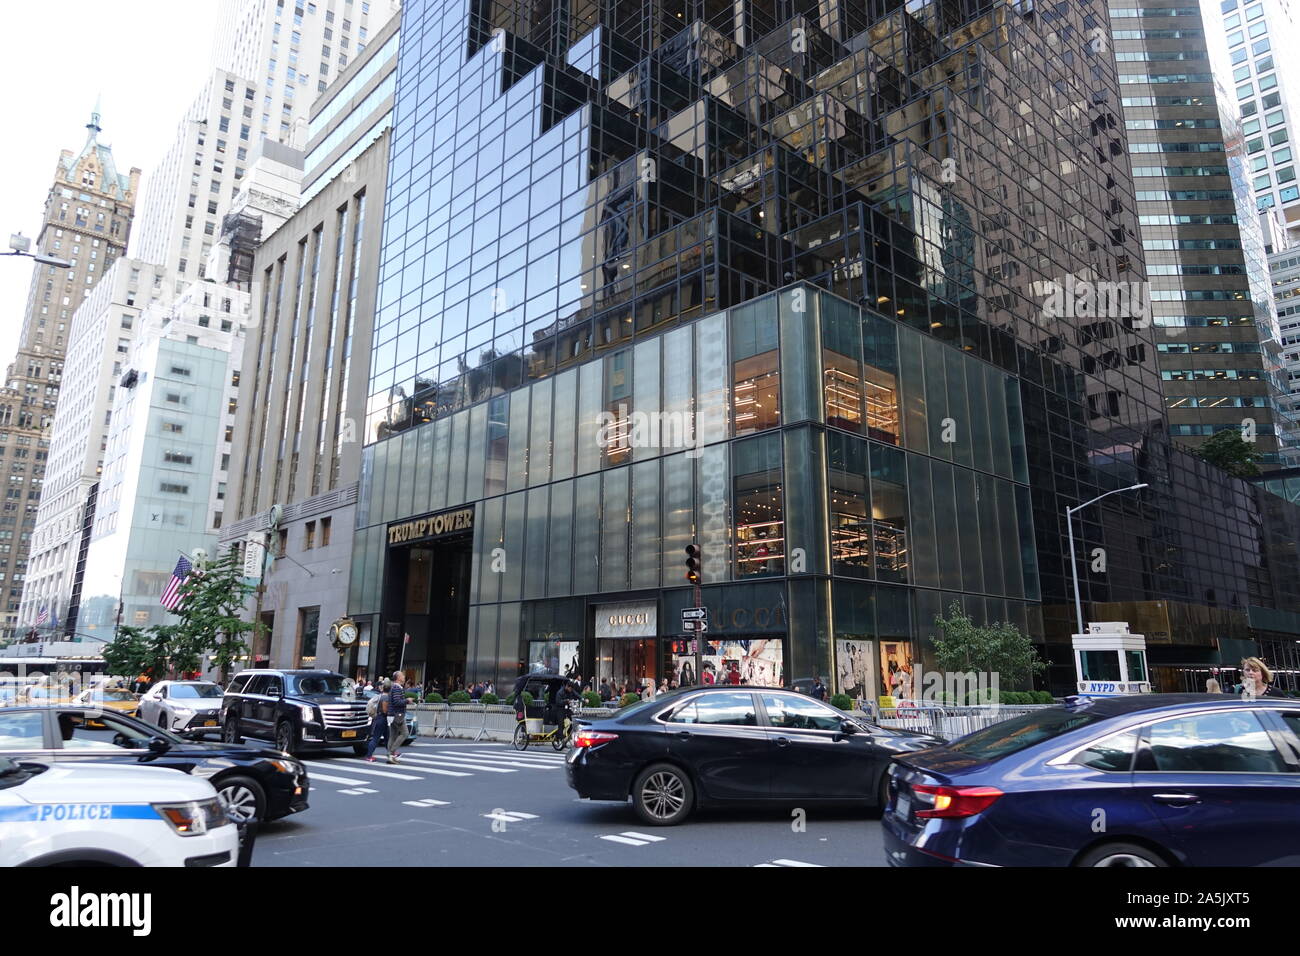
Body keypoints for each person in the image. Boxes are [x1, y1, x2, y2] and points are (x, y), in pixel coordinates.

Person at [384, 671, 409, 763]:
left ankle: (390, 757)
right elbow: (397, 702)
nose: (404, 677)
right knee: (405, 733)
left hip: (392, 714)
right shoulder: (397, 688)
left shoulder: (394, 687)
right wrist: (407, 700)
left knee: (393, 735)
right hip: (397, 714)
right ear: (398, 677)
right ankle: (391, 753)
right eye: (402, 675)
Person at [364, 682, 389, 762]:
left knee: (387, 737)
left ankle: (391, 753)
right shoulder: (385, 697)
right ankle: (369, 756)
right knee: (376, 738)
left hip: (380, 718)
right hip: (381, 719)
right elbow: (385, 711)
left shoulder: (380, 696)